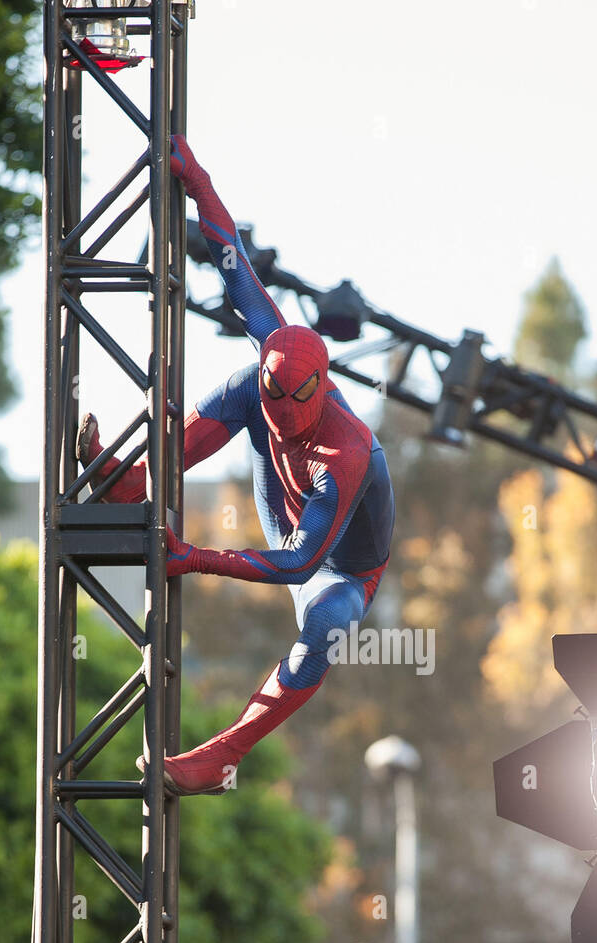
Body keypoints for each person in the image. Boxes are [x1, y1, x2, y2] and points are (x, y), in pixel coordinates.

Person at [78, 135, 395, 795]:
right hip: (283, 509)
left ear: (319, 392)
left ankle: (223, 755)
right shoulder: (270, 349)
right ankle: (129, 482)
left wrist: (193, 557)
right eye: (273, 397)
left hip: (332, 566)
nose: (280, 414)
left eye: (291, 407)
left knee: (327, 629)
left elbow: (300, 564)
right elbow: (231, 259)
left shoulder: (348, 451)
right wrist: (198, 181)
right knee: (238, 385)